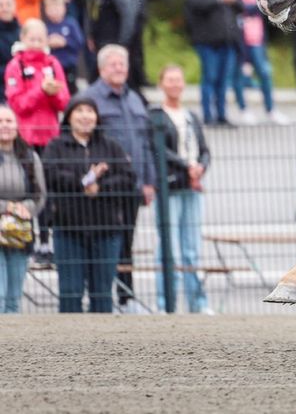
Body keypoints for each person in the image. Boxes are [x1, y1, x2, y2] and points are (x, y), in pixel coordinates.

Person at [42, 96, 139, 313]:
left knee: (102, 293)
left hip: (106, 230)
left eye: (90, 111)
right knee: (70, 291)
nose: (85, 116)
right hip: (68, 229)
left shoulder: (111, 146)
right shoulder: (56, 146)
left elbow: (128, 178)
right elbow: (51, 175)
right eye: (79, 111)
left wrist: (100, 188)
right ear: (69, 116)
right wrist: (83, 181)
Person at [82, 44, 156, 313]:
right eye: (113, 64)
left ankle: (126, 298)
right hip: (103, 189)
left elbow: (146, 143)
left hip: (132, 187)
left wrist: (149, 181)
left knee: (127, 243)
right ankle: (102, 298)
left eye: (122, 64)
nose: (119, 68)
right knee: (104, 243)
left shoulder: (134, 99)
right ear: (101, 69)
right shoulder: (90, 100)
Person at [149, 64, 212, 314]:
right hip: (170, 188)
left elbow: (205, 149)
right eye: (170, 80)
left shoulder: (191, 116)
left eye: (179, 80)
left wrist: (200, 167)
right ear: (161, 84)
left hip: (192, 187)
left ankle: (198, 302)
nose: (175, 84)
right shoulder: (156, 115)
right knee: (168, 247)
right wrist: (186, 165)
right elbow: (159, 149)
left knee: (192, 248)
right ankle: (166, 303)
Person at [223, 0, 287, 125]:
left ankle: (270, 108)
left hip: (256, 36)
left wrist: (243, 6)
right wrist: (246, 7)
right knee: (238, 75)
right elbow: (232, 8)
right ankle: (243, 109)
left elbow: (260, 5)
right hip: (237, 36)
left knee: (264, 73)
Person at [0, 106, 46, 313]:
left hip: (19, 232)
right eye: (0, 121)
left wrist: (26, 208)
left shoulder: (29, 157)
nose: (4, 126)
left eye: (9, 121)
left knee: (14, 297)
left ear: (17, 126)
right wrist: (7, 207)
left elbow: (40, 194)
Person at [185, 0, 241, 126]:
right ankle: (209, 116)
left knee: (224, 82)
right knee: (210, 79)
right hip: (207, 43)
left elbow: (241, 7)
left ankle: (222, 115)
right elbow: (199, 4)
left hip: (227, 42)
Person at [5, 19, 71, 149]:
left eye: (40, 40)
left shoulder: (53, 63)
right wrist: (41, 90)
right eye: (32, 39)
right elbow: (17, 104)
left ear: (46, 40)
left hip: (52, 137)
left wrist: (53, 94)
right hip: (25, 137)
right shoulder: (15, 65)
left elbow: (65, 103)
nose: (36, 44)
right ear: (22, 38)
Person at [98, 0, 151, 91]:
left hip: (137, 7)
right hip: (118, 10)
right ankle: (128, 83)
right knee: (122, 44)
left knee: (136, 46)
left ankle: (139, 78)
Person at [83, 0, 135, 84]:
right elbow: (89, 14)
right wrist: (89, 34)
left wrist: (123, 41)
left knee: (118, 77)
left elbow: (127, 15)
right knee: (96, 78)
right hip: (97, 41)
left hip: (114, 39)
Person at [42, 0, 85, 94]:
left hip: (69, 66)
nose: (55, 10)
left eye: (57, 7)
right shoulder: (44, 27)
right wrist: (48, 43)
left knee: (70, 91)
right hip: (50, 68)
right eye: (51, 8)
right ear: (46, 9)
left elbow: (79, 42)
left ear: (64, 8)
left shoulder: (71, 24)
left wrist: (65, 42)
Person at [0, 0, 21, 72]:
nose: (5, 9)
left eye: (8, 4)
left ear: (15, 5)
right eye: (0, 5)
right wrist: (12, 70)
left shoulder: (24, 32)